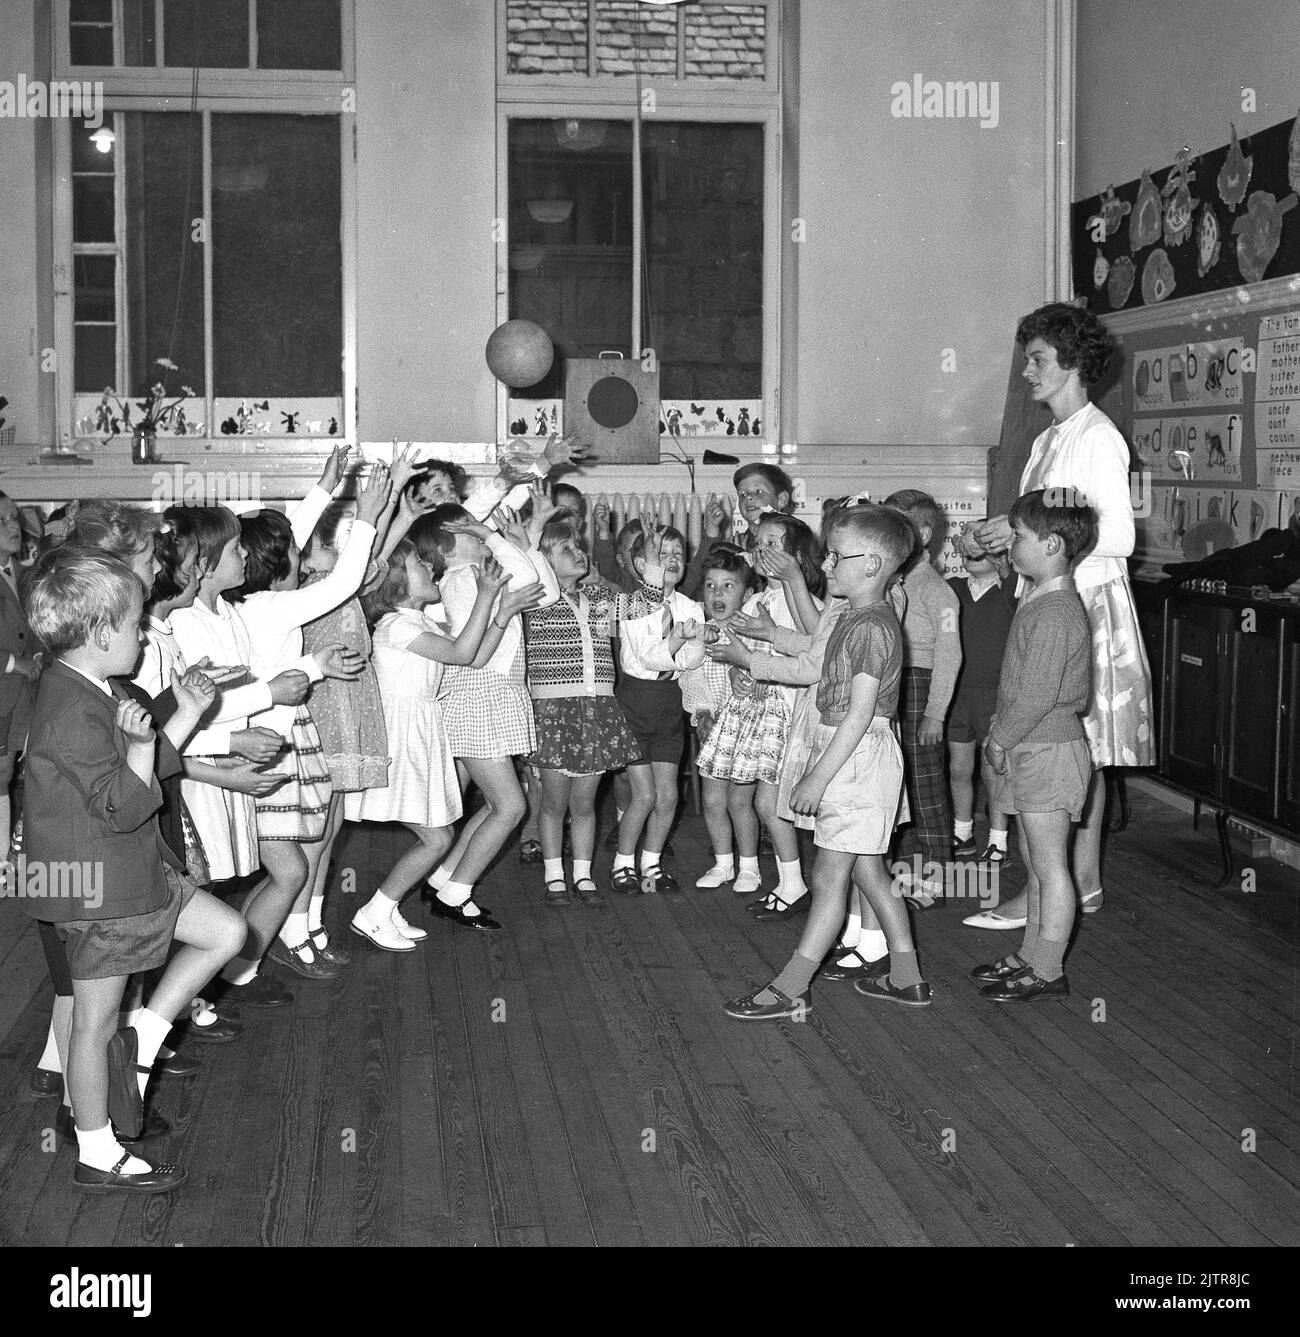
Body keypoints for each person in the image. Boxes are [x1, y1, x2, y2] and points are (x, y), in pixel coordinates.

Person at [22, 547, 245, 1191]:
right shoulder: (70, 710)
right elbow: (124, 802)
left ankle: (142, 1045)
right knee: (92, 1025)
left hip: (126, 873)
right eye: (134, 624)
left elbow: (138, 769)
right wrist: (146, 744)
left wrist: (187, 712)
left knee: (226, 933)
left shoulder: (85, 686)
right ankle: (97, 1151)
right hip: (102, 888)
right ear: (98, 634)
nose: (143, 633)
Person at [969, 301, 1154, 929]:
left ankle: (1069, 883)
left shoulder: (1099, 436)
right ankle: (1071, 883)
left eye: (1039, 359)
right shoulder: (1049, 438)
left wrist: (1047, 537)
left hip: (1087, 604)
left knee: (1078, 748)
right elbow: (1046, 525)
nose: (1028, 371)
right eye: (1027, 360)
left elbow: (1122, 537)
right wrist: (1006, 534)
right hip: (1046, 599)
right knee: (1057, 746)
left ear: (1073, 362)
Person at [722, 505, 925, 1019]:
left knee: (829, 878)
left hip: (855, 757)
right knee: (871, 874)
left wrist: (817, 775)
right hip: (851, 754)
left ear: (874, 565)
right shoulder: (852, 617)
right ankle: (908, 978)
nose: (828, 564)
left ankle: (791, 985)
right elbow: (814, 666)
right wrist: (759, 650)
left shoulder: (872, 627)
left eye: (838, 556)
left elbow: (860, 716)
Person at [349, 543, 539, 948]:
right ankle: (374, 912)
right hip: (401, 739)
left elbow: (473, 658)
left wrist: (501, 615)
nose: (430, 567)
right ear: (398, 580)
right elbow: (461, 651)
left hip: (421, 732)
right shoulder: (396, 627)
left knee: (439, 833)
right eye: (420, 564)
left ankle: (386, 910)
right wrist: (488, 599)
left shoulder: (421, 623)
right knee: (437, 837)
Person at [413, 488, 560, 929]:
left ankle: (443, 880)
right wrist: (500, 541)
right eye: (469, 532)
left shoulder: (479, 574)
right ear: (444, 547)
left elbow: (546, 595)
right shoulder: (462, 580)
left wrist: (522, 545)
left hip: (495, 693)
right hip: (480, 693)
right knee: (511, 808)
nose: (482, 536)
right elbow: (521, 588)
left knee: (498, 804)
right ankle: (455, 893)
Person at [972, 491, 1096, 1002]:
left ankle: (1048, 969)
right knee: (1035, 861)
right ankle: (1030, 954)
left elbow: (1039, 694)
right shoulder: (1039, 598)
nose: (1011, 546)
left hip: (1049, 749)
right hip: (1034, 747)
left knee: (1049, 866)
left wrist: (999, 739)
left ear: (1049, 544)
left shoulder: (1055, 611)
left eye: (1018, 537)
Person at [523, 516, 665, 906]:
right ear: (544, 562)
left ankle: (582, 875)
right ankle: (555, 874)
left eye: (578, 545)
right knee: (553, 804)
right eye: (565, 549)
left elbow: (646, 602)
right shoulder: (536, 601)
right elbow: (530, 566)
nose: (578, 552)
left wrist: (651, 559)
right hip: (554, 712)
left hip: (597, 710)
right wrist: (534, 538)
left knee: (584, 805)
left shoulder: (599, 601)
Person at [697, 515, 823, 904]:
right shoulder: (755, 600)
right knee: (747, 799)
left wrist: (752, 661)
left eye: (773, 542)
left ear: (798, 556)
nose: (762, 549)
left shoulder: (806, 603)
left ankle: (793, 880)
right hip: (750, 713)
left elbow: (818, 648)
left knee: (771, 805)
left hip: (784, 715)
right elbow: (741, 652)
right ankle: (761, 871)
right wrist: (737, 670)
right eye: (758, 541)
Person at [611, 526, 705, 893]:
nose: (673, 560)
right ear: (639, 564)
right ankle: (622, 862)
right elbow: (650, 659)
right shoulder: (633, 606)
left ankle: (651, 862)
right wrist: (680, 639)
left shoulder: (689, 607)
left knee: (668, 795)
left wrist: (698, 643)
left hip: (669, 704)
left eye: (679, 553)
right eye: (661, 553)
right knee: (644, 795)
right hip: (635, 701)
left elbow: (692, 663)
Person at [881, 490, 962, 908]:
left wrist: (936, 714)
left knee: (926, 787)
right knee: (890, 782)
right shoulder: (886, 581)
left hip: (920, 687)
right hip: (890, 686)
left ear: (924, 534)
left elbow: (950, 654)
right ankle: (891, 873)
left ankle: (936, 879)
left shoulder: (936, 590)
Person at [681, 546, 758, 891]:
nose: (717, 593)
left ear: (748, 594)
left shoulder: (754, 632)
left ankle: (749, 867)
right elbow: (692, 677)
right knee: (713, 801)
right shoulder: (699, 633)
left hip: (748, 726)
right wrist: (701, 712)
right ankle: (723, 863)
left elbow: (760, 674)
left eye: (728, 586)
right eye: (710, 586)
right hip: (715, 727)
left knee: (740, 801)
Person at [948, 522, 1018, 865]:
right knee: (960, 769)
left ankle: (998, 838)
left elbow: (1014, 582)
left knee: (994, 770)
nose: (975, 553)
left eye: (985, 546)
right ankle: (962, 832)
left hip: (995, 696)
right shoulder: (953, 589)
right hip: (959, 695)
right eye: (969, 547)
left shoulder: (1009, 590)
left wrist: (1002, 561)